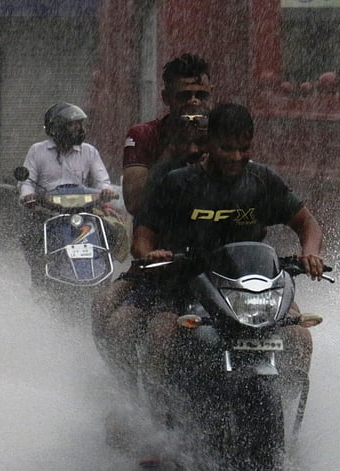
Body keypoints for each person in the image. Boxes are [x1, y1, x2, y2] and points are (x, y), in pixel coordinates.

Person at [133, 103, 325, 387]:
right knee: (161, 334)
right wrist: (152, 254)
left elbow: (308, 224)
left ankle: (285, 405)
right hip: (187, 286)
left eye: (244, 148)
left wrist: (310, 253)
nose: (237, 157)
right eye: (227, 148)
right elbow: (141, 238)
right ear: (208, 142)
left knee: (299, 337)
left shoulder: (262, 181)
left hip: (252, 290)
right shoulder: (177, 184)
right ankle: (156, 418)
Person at [92, 105, 209, 386]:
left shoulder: (241, 178)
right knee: (110, 312)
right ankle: (132, 394)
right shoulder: (162, 181)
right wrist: (151, 254)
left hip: (222, 277)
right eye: (186, 142)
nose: (194, 150)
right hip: (165, 274)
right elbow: (142, 239)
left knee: (296, 331)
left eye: (201, 142)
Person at [17, 103, 123, 283]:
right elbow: (26, 181)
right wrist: (28, 196)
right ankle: (39, 278)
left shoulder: (89, 152)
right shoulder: (37, 151)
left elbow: (102, 181)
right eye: (72, 125)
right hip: (47, 213)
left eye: (80, 124)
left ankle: (104, 273)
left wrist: (106, 193)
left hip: (83, 213)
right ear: (56, 127)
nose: (79, 129)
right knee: (32, 238)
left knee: (112, 232)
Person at [121, 53, 212, 216]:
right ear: (166, 97)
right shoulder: (144, 135)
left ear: (211, 94)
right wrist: (172, 151)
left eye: (201, 96)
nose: (194, 102)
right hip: (161, 230)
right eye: (184, 96)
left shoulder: (221, 132)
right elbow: (133, 203)